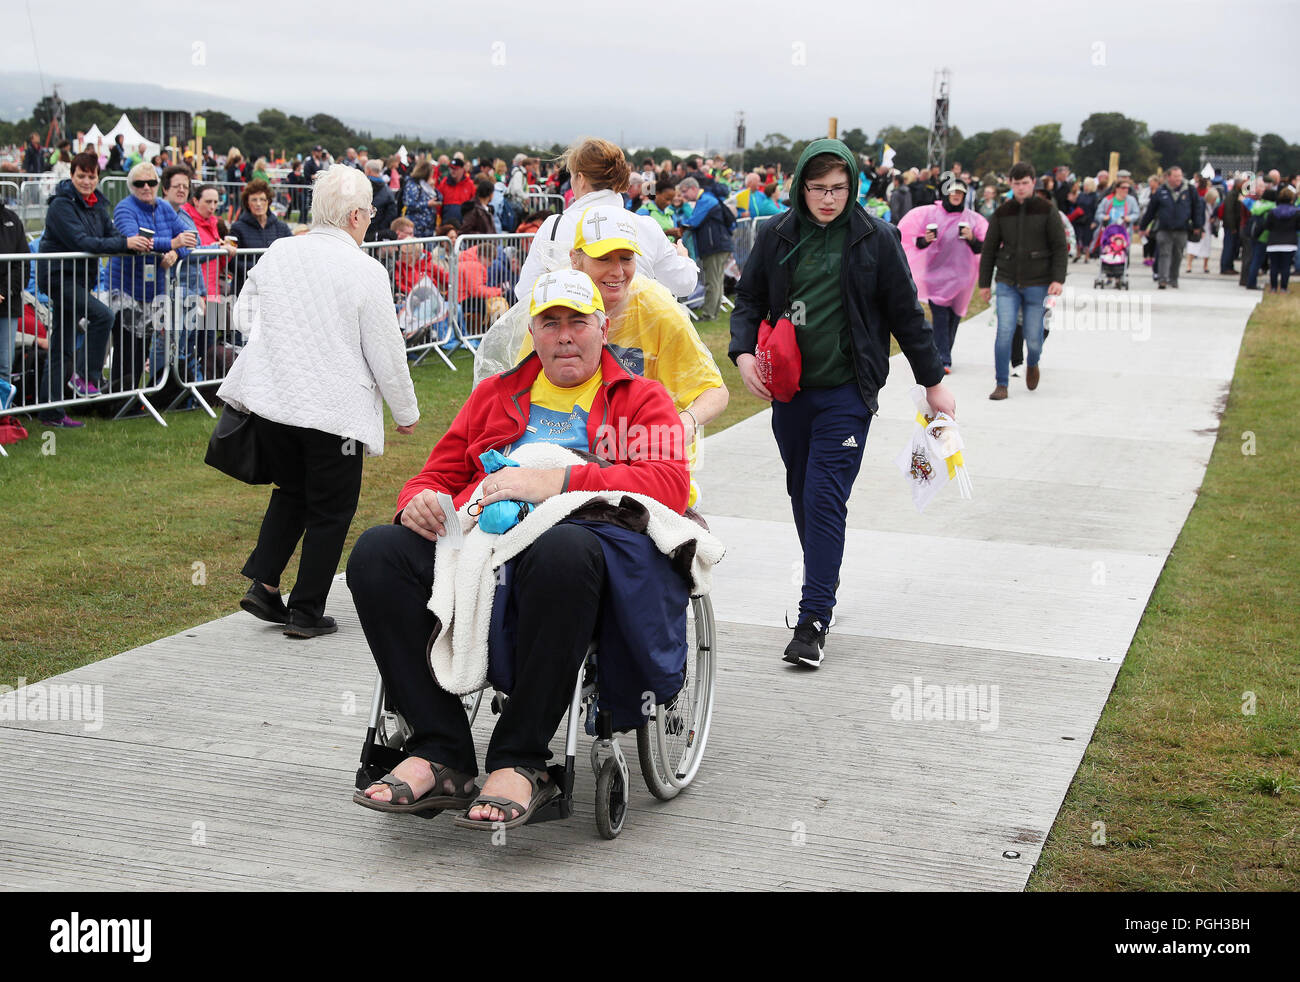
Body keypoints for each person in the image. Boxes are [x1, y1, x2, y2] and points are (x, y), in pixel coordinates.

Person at [347, 268, 690, 826]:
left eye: (577, 321)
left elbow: (669, 483)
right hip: (481, 539)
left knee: (563, 550)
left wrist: (556, 482)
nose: (564, 335)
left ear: (602, 328)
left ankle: (520, 759)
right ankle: (441, 749)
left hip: (572, 545)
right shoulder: (496, 395)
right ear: (532, 331)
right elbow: (436, 473)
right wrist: (417, 501)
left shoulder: (641, 397)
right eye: (549, 322)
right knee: (375, 553)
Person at [730, 139, 955, 669]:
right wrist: (742, 354)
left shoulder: (876, 238)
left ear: (854, 186)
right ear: (800, 187)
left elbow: (906, 313)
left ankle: (812, 619)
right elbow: (749, 299)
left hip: (847, 392)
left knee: (825, 497)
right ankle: (824, 579)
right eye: (817, 188)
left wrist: (933, 381)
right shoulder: (777, 233)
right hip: (789, 389)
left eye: (838, 188)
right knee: (802, 493)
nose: (828, 199)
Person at [217, 165, 420, 638]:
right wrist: (405, 411)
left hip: (277, 401)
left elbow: (244, 312)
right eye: (369, 211)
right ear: (354, 215)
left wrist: (280, 345)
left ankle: (265, 586)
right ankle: (306, 610)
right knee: (332, 507)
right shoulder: (366, 271)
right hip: (333, 411)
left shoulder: (280, 251)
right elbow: (386, 350)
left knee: (292, 492)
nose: (371, 219)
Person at [476, 205, 727, 505]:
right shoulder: (552, 303)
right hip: (565, 458)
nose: (618, 271)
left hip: (638, 463)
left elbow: (715, 390)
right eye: (603, 258)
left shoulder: (656, 310)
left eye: (626, 258)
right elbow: (523, 388)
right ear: (575, 259)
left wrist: (684, 422)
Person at [35, 152, 150, 427]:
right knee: (103, 316)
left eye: (91, 176)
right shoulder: (61, 206)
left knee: (61, 347)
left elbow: (108, 234)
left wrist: (126, 242)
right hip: (59, 278)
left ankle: (50, 412)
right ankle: (86, 377)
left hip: (79, 278)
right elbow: (82, 241)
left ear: (97, 177)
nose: (87, 181)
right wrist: (126, 244)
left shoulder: (98, 204)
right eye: (81, 176)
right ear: (72, 176)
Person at [516, 138, 698, 301]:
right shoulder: (646, 226)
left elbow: (526, 292)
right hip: (636, 335)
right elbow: (683, 283)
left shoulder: (554, 226)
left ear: (580, 178)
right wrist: (684, 259)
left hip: (572, 335)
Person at [104, 162, 198, 396]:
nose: (146, 187)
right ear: (131, 187)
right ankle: (119, 400)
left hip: (153, 293)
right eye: (139, 183)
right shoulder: (124, 208)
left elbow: (191, 240)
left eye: (151, 182)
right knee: (127, 350)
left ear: (157, 185)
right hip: (124, 291)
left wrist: (176, 253)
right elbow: (134, 241)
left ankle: (133, 399)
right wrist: (171, 244)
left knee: (141, 350)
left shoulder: (164, 208)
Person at [977, 161, 1067, 400]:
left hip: (1038, 283)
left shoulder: (1047, 210)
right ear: (1010, 184)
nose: (1021, 188)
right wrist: (984, 283)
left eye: (1025, 183)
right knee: (1004, 331)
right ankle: (1001, 383)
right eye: (1016, 184)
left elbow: (1060, 247)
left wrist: (1058, 279)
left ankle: (1033, 362)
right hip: (1007, 282)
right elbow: (989, 249)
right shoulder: (1002, 212)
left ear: (1033, 182)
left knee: (1034, 337)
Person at [900, 179, 987, 373]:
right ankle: (943, 359)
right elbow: (909, 237)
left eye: (960, 192)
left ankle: (943, 351)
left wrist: (972, 238)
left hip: (962, 278)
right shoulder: (930, 214)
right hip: (936, 277)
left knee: (954, 318)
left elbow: (984, 247)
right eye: (953, 192)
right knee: (940, 316)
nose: (956, 195)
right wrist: (924, 240)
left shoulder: (973, 219)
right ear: (945, 194)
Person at [677, 176, 735, 319]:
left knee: (712, 281)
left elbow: (693, 221)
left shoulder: (706, 200)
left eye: (684, 192)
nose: (683, 196)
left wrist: (680, 227)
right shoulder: (707, 199)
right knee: (717, 280)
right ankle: (713, 313)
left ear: (693, 188)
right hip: (719, 245)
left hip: (714, 247)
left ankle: (708, 314)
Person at [1140, 166, 1204, 289]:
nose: (1178, 179)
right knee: (1164, 253)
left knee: (1178, 255)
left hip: (1182, 228)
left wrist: (1198, 225)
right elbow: (1151, 210)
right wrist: (1143, 226)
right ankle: (1162, 279)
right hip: (1164, 228)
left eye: (1180, 176)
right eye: (1175, 176)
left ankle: (1173, 278)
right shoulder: (1161, 191)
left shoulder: (1189, 190)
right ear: (1168, 177)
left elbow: (1197, 208)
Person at [230, 179, 293, 296]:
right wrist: (257, 271)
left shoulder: (281, 227)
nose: (258, 204)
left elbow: (292, 253)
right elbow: (231, 261)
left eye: (262, 199)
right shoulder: (237, 228)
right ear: (247, 203)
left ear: (268, 201)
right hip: (246, 288)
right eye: (254, 200)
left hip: (274, 288)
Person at [1, 200, 29, 407]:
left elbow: (23, 263)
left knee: (4, 366)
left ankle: (3, 414)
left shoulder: (12, 220)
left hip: (7, 304)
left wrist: (2, 291)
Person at [1262, 187, 1297, 293]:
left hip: (1274, 241)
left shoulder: (1273, 212)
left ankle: (1273, 288)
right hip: (1289, 242)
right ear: (1292, 199)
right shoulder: (1296, 212)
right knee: (1286, 266)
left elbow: (1267, 226)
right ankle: (1283, 288)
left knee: (1274, 266)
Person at [1185, 186, 1218, 275]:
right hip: (1200, 227)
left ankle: (1205, 266)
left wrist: (1213, 219)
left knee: (1206, 248)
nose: (1215, 200)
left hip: (1208, 228)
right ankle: (1189, 265)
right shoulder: (1201, 203)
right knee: (1193, 246)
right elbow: (1198, 215)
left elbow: (1214, 214)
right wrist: (1199, 228)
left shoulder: (1213, 205)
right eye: (1214, 199)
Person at [363, 159, 398, 243]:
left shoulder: (360, 187)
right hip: (378, 234)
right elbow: (392, 214)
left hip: (362, 231)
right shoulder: (388, 191)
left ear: (368, 170)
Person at [436, 156, 475, 226]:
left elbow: (474, 203)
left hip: (464, 226)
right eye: (451, 168)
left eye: (456, 169)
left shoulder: (469, 184)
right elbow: (438, 204)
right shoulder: (444, 183)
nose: (453, 171)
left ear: (462, 169)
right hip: (447, 225)